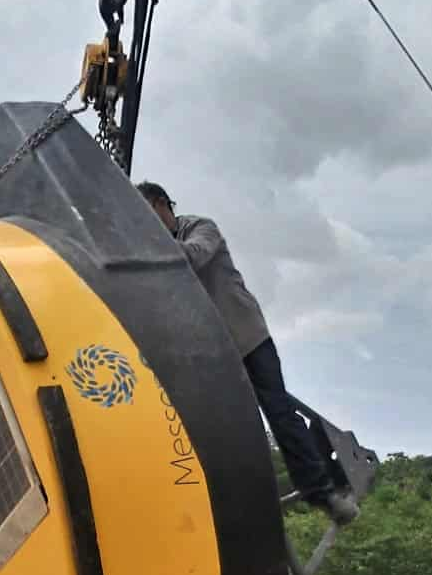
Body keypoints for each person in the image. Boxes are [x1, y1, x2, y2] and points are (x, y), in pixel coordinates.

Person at [137, 182, 358, 522]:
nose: (147, 225)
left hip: (249, 338)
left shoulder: (200, 228)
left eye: (148, 214)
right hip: (213, 353)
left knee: (278, 412)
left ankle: (323, 491)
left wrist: (143, 245)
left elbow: (193, 256)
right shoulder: (156, 249)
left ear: (162, 204)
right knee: (229, 428)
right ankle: (242, 511)